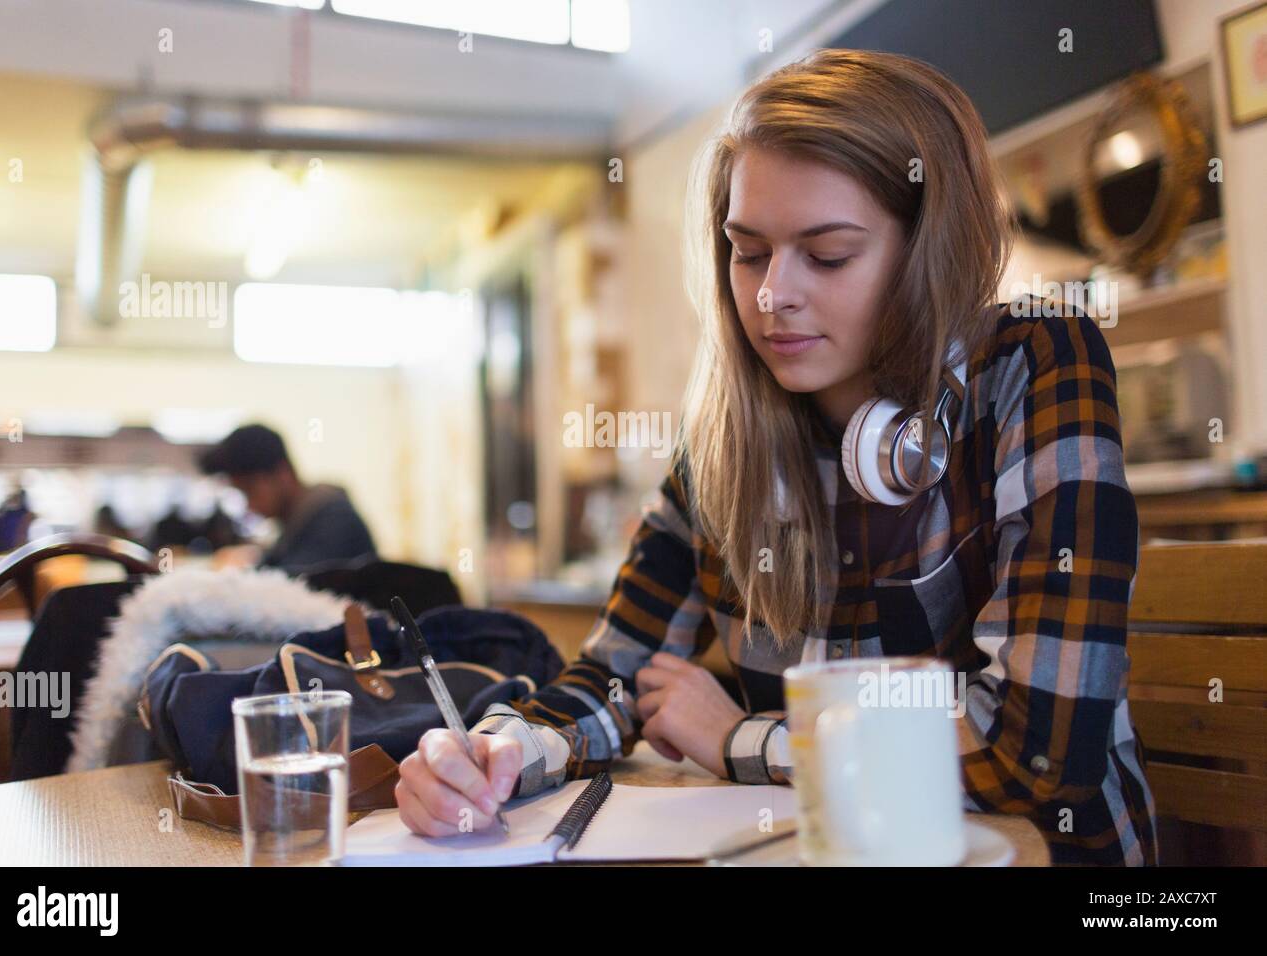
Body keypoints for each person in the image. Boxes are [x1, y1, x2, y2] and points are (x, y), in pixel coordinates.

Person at [396, 50, 1157, 866]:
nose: (770, 295)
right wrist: (496, 752)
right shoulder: (722, 442)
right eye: (748, 251)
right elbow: (614, 675)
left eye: (826, 255)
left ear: (926, 251)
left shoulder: (1036, 364)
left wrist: (739, 739)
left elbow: (1037, 756)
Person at [198, 423, 376, 575]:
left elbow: (294, 586)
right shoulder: (297, 522)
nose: (250, 505)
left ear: (282, 474)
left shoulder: (333, 519)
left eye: (250, 491)